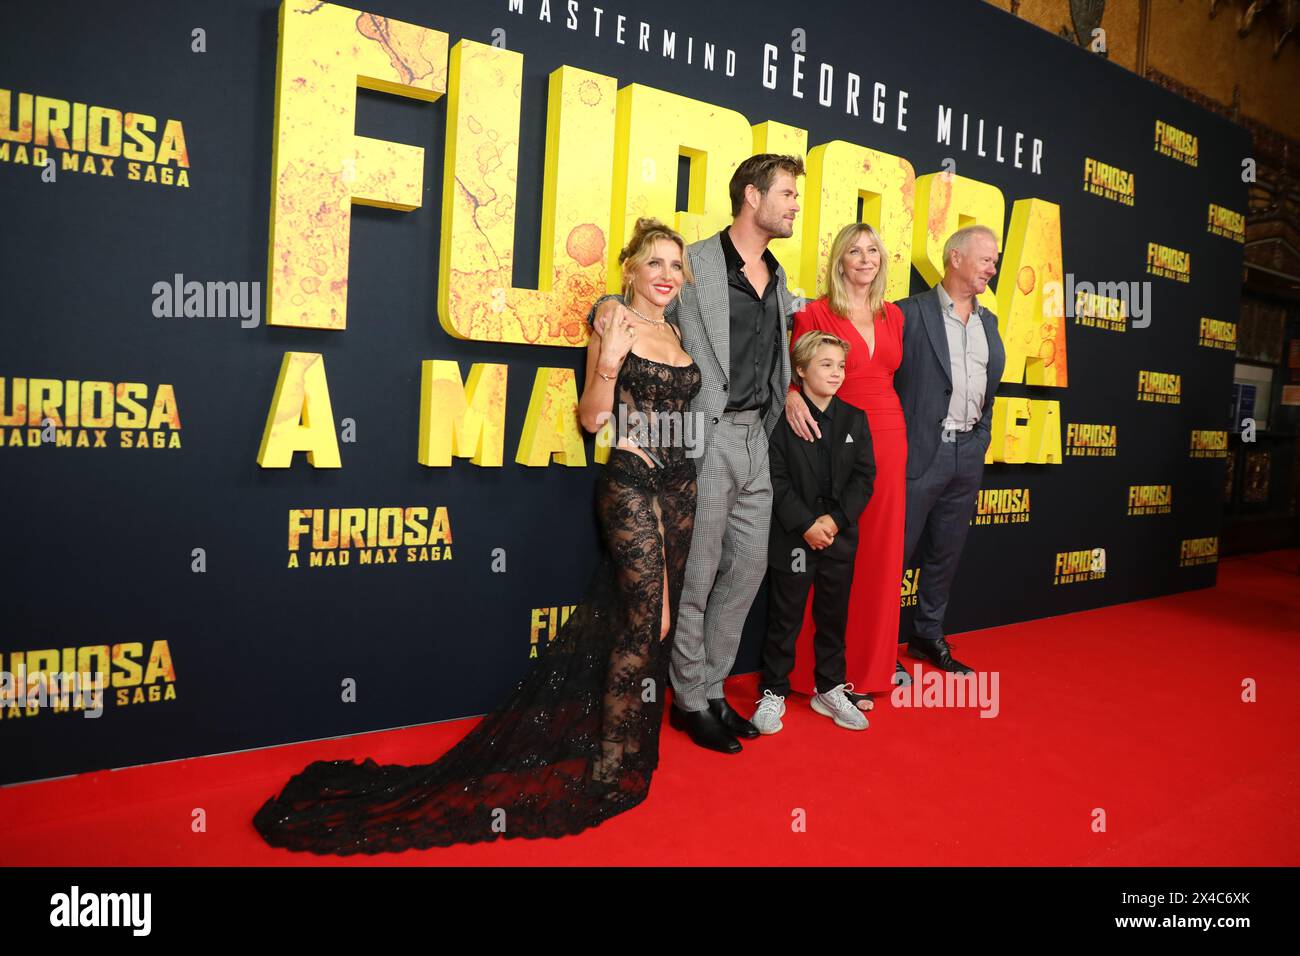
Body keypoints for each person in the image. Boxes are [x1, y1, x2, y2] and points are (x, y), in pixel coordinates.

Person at [251, 218, 701, 853]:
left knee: (655, 625)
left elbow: (678, 417)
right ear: (629, 268)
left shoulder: (676, 329)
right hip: (632, 484)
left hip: (680, 492)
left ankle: (628, 750)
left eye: (675, 266)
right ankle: (609, 764)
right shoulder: (614, 319)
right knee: (637, 622)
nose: (665, 276)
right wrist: (614, 364)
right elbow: (595, 416)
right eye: (653, 263)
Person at [591, 154, 804, 754]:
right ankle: (689, 701)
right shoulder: (699, 262)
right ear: (751, 197)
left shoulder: (780, 275)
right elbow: (643, 300)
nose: (793, 206)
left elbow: (767, 353)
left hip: (756, 440)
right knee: (697, 576)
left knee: (745, 573)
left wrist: (783, 395)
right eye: (786, 194)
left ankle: (710, 686)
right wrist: (604, 310)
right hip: (700, 439)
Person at [783, 223, 910, 711]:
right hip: (833, 441)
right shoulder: (815, 312)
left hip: (891, 439)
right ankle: (818, 675)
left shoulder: (894, 316)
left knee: (878, 560)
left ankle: (864, 672)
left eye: (873, 250)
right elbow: (794, 373)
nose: (864, 258)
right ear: (839, 260)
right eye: (854, 251)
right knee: (832, 558)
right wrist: (794, 395)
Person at [894, 224, 1006, 674]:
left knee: (946, 551)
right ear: (955, 258)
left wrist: (981, 438)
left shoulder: (989, 321)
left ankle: (927, 634)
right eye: (986, 259)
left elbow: (989, 389)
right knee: (894, 555)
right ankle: (878, 646)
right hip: (920, 453)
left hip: (968, 451)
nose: (992, 268)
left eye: (995, 261)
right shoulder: (908, 313)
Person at [753, 331, 875, 734]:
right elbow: (776, 477)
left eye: (840, 365)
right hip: (793, 540)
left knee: (833, 617)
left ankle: (829, 689)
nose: (836, 373)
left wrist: (835, 522)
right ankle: (773, 692)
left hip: (839, 538)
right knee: (784, 618)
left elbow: (864, 477)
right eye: (825, 364)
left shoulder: (855, 418)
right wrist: (806, 525)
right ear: (800, 370)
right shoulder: (781, 421)